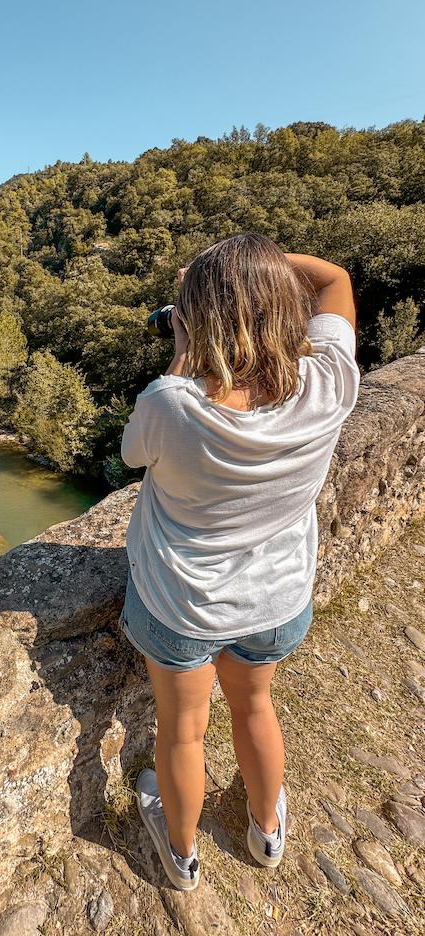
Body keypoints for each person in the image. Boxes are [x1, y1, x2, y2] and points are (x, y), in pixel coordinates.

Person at [118, 232, 361, 891]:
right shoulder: (329, 379)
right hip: (277, 599)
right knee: (255, 707)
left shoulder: (171, 403)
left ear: (199, 320)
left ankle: (180, 856)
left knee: (182, 733)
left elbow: (133, 456)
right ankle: (265, 832)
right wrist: (249, 274)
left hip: (182, 604)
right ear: (281, 304)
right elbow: (333, 279)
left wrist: (180, 352)